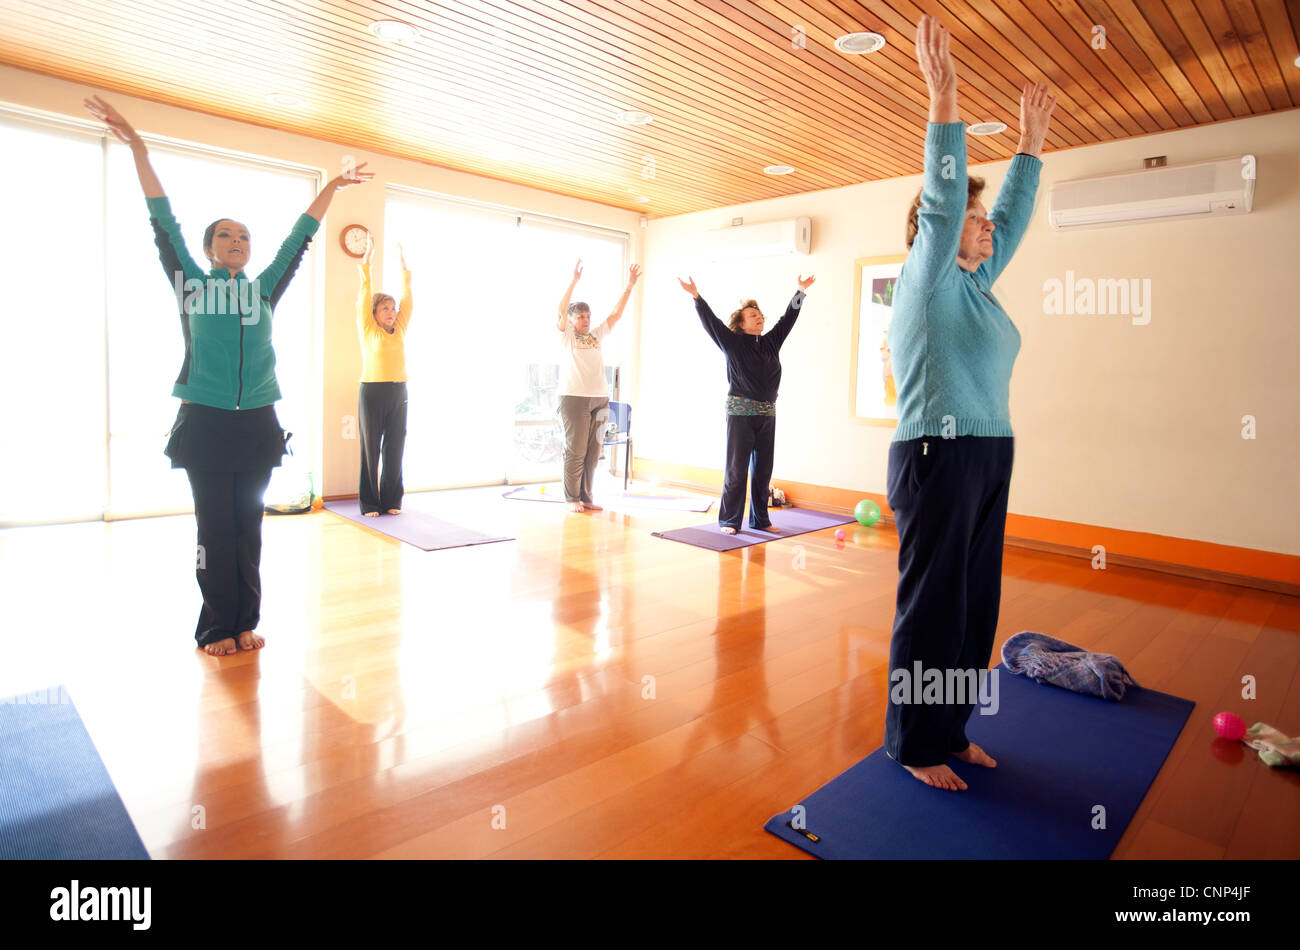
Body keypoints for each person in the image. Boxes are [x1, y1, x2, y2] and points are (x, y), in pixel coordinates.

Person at [85, 95, 372, 656]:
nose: (237, 242)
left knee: (249, 530)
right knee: (213, 531)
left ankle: (246, 622)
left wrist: (333, 187)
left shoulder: (263, 288)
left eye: (243, 237)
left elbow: (300, 236)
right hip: (206, 421)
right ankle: (216, 626)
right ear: (208, 249)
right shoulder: (190, 283)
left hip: (258, 421)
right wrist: (139, 148)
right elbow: (161, 218)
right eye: (225, 236)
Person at [883, 16, 1055, 790]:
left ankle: (950, 729)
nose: (987, 228)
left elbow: (1011, 221)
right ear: (939, 231)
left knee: (974, 607)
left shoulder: (977, 287)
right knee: (932, 607)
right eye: (974, 221)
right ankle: (913, 741)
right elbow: (950, 200)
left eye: (983, 221)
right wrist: (943, 95)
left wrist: (1029, 147)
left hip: (988, 453)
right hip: (937, 454)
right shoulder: (926, 282)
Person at [677, 275, 814, 534]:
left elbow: (788, 319)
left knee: (763, 472)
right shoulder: (733, 343)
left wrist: (800, 291)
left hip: (767, 416)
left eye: (759, 314)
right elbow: (712, 324)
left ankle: (760, 520)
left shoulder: (771, 342)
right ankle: (729, 521)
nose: (759, 317)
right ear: (741, 323)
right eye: (752, 315)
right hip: (740, 415)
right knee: (737, 471)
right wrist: (697, 297)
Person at [555, 259, 641, 513]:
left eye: (588, 316)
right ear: (571, 320)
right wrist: (573, 282)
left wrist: (630, 286)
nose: (586, 319)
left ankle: (587, 496)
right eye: (580, 316)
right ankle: (572, 498)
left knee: (594, 452)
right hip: (574, 398)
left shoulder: (596, 335)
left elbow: (616, 314)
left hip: (599, 398)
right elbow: (560, 310)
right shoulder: (567, 336)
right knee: (576, 450)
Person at [356, 234, 413, 516]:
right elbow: (364, 293)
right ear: (375, 313)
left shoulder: (400, 328)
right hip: (372, 391)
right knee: (371, 448)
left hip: (398, 391)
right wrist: (368, 260)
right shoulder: (368, 328)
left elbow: (408, 299)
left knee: (394, 447)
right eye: (385, 308)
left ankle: (392, 500)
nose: (392, 312)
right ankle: (369, 502)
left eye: (393, 308)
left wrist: (403, 264)